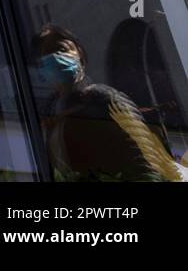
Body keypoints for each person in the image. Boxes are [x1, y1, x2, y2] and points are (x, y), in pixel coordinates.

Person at [31, 24, 185, 181]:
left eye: (61, 49)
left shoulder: (103, 99)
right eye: (47, 54)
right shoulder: (49, 114)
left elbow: (145, 160)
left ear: (80, 54)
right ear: (40, 69)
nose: (56, 57)